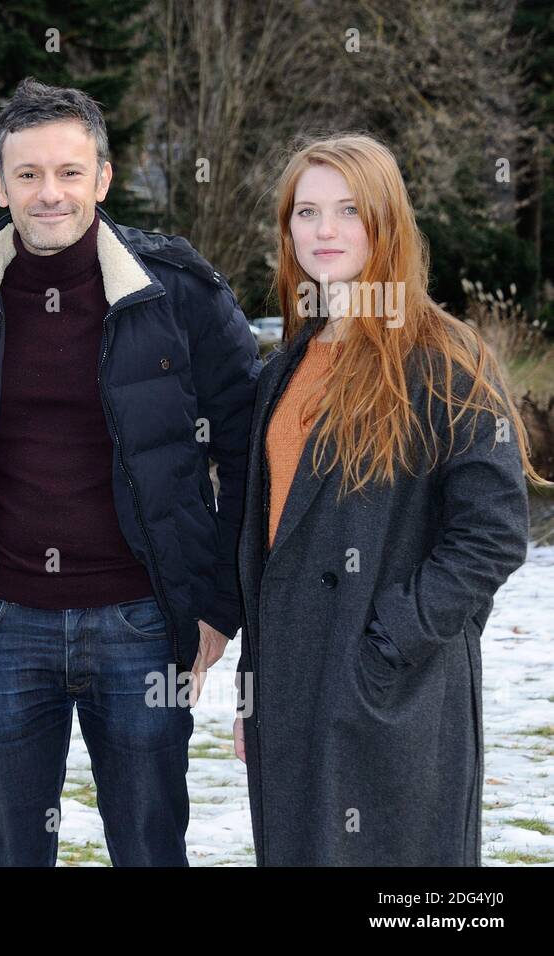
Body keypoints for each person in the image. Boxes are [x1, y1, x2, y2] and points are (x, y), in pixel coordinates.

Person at [0, 77, 260, 866]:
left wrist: (218, 608)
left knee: (150, 848)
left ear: (102, 176)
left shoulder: (182, 295)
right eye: (27, 174)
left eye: (68, 172)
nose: (49, 193)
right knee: (12, 852)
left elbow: (248, 454)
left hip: (145, 622)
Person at [234, 133, 543, 865]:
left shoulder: (445, 360)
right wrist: (254, 685)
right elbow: (269, 550)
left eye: (348, 210)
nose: (325, 230)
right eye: (306, 212)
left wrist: (386, 646)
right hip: (288, 691)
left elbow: (493, 535)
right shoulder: (283, 370)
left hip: (394, 692)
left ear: (386, 222)